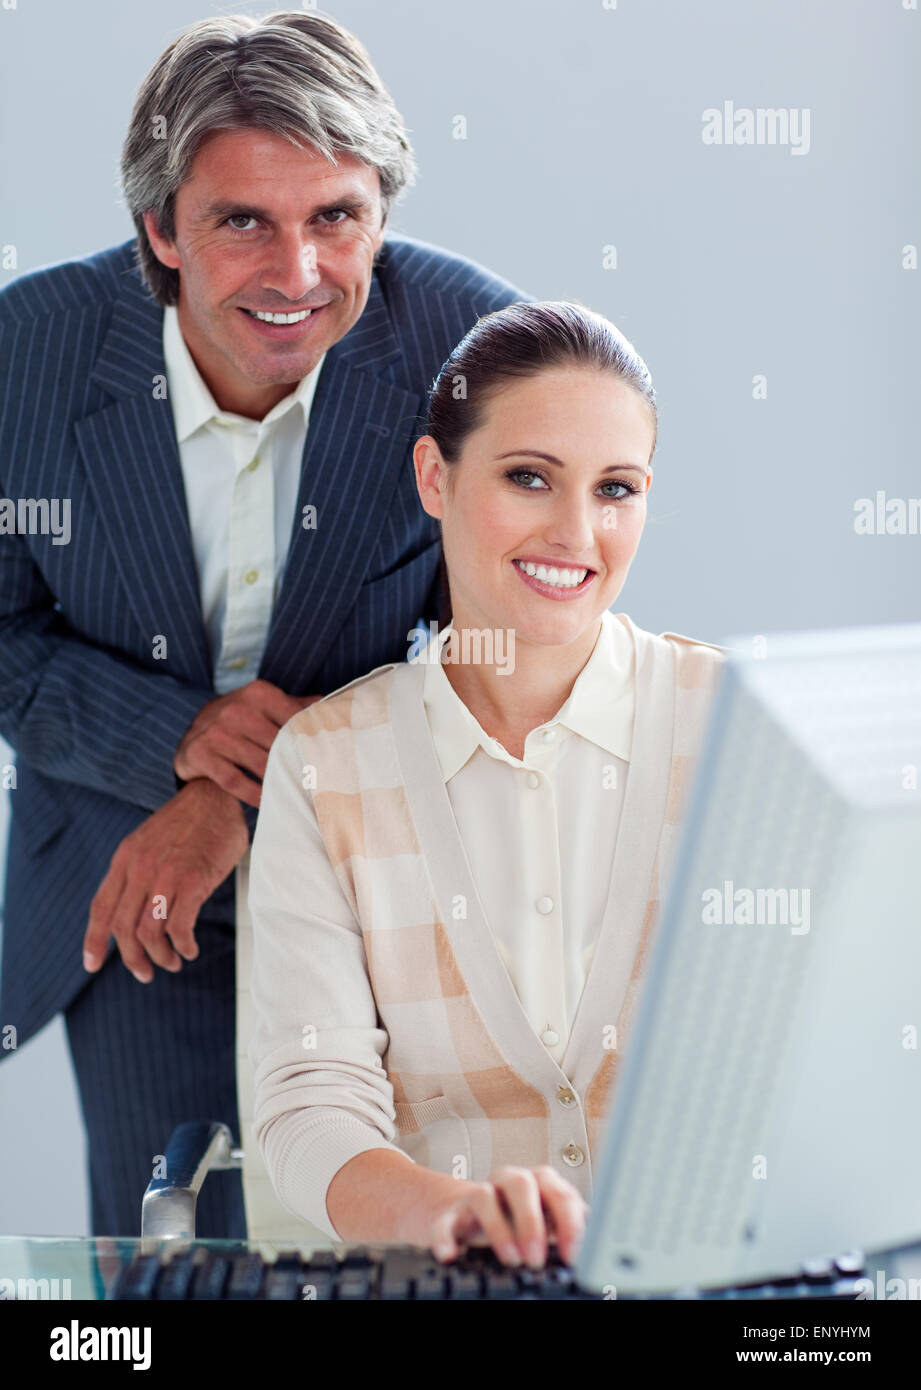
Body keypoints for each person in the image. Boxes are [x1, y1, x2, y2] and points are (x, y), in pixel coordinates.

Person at [0, 10, 531, 1239]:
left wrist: (247, 791)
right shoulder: (26, 357)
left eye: (336, 217)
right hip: (138, 886)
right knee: (177, 1256)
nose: (297, 274)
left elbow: (508, 656)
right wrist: (174, 743)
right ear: (159, 231)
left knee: (401, 1252)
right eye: (243, 221)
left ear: (381, 215)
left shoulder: (475, 360)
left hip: (396, 884)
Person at [247, 301, 726, 1268]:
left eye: (616, 489)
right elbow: (310, 1108)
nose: (576, 533)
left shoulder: (735, 729)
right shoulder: (325, 764)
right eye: (527, 478)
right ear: (435, 476)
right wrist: (453, 1219)